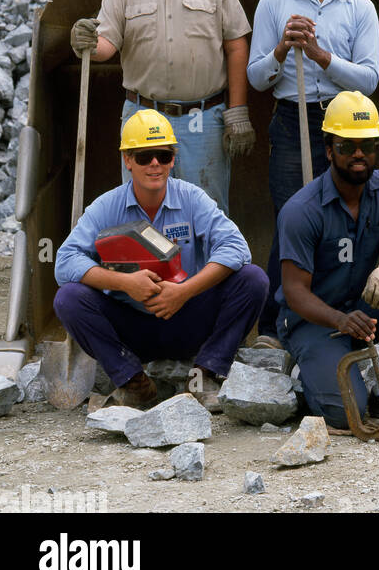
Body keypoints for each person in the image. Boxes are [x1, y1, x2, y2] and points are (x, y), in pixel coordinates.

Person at [53, 110, 268, 410]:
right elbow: (65, 262)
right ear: (128, 160)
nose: (155, 164)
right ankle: (134, 383)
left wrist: (184, 292)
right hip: (132, 328)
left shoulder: (192, 198)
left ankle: (205, 374)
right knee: (68, 298)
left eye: (163, 156)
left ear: (173, 159)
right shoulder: (106, 206)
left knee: (253, 279)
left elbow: (236, 248)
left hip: (187, 319)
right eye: (144, 157)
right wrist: (125, 283)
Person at [69, 0, 254, 213]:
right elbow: (106, 45)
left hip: (203, 120)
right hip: (143, 117)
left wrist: (237, 111)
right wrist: (86, 43)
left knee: (206, 213)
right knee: (141, 210)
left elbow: (236, 45)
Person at [247, 0, 379, 345]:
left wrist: (321, 55)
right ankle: (274, 326)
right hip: (292, 120)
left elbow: (369, 79)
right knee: (292, 219)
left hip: (347, 128)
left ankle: (340, 317)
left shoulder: (360, 8)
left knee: (345, 220)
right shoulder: (274, 3)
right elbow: (257, 78)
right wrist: (282, 50)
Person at [275, 92, 379, 433]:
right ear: (328, 150)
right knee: (345, 414)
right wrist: (340, 319)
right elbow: (294, 292)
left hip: (361, 310)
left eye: (367, 145)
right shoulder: (301, 210)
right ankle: (307, 369)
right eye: (346, 146)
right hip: (313, 321)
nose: (358, 154)